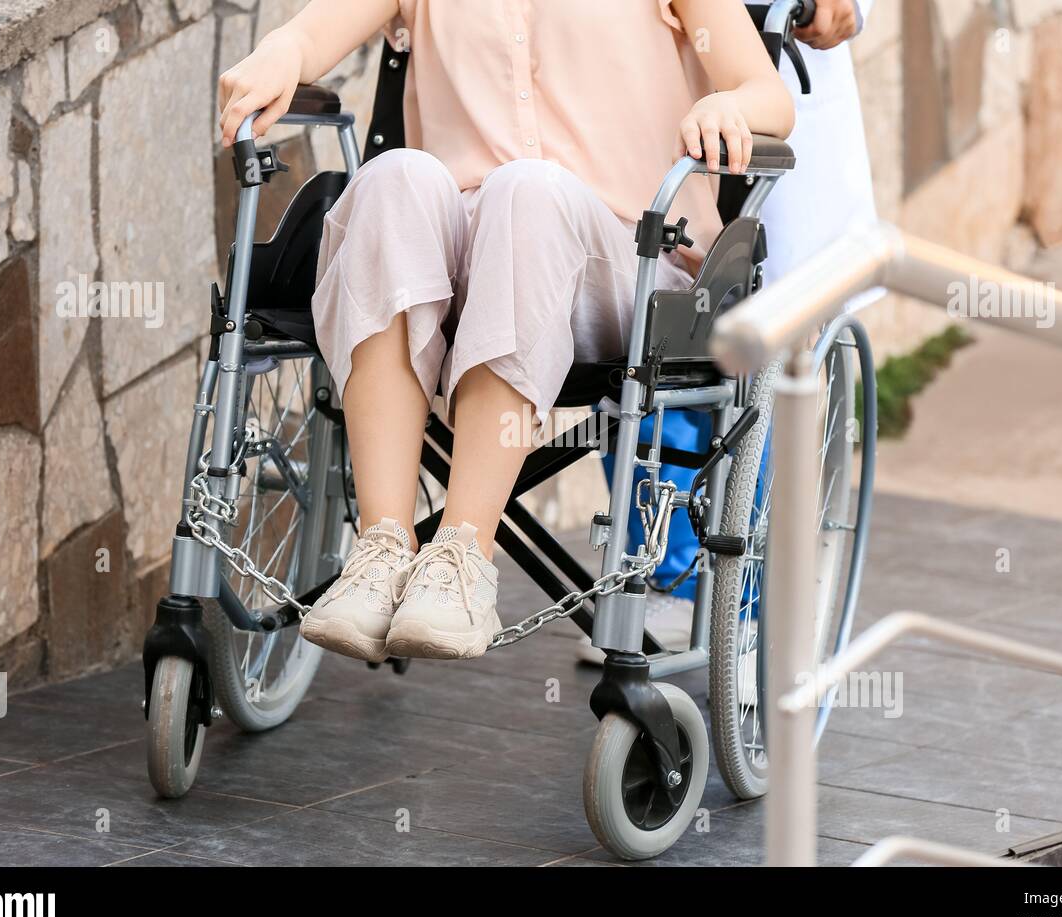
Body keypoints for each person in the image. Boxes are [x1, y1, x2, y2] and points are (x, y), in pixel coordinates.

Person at [217, 0, 794, 663]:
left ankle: (464, 554)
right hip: (464, 275)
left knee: (529, 191)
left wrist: (731, 108)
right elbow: (316, 31)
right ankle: (380, 549)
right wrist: (282, 54)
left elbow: (767, 95)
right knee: (393, 177)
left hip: (627, 270)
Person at [578, 0, 879, 663]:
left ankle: (742, 610)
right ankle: (654, 572)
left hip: (770, 64)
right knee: (632, 333)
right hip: (633, 85)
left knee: (755, 340)